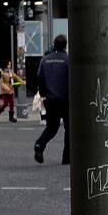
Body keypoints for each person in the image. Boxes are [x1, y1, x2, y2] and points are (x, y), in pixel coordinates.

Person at [34, 34, 70, 165]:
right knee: (69, 129)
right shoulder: (67, 60)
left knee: (51, 128)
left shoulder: (45, 60)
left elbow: (40, 77)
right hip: (66, 99)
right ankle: (67, 158)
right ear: (65, 45)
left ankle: (39, 144)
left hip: (51, 99)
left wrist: (43, 93)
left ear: (54, 44)